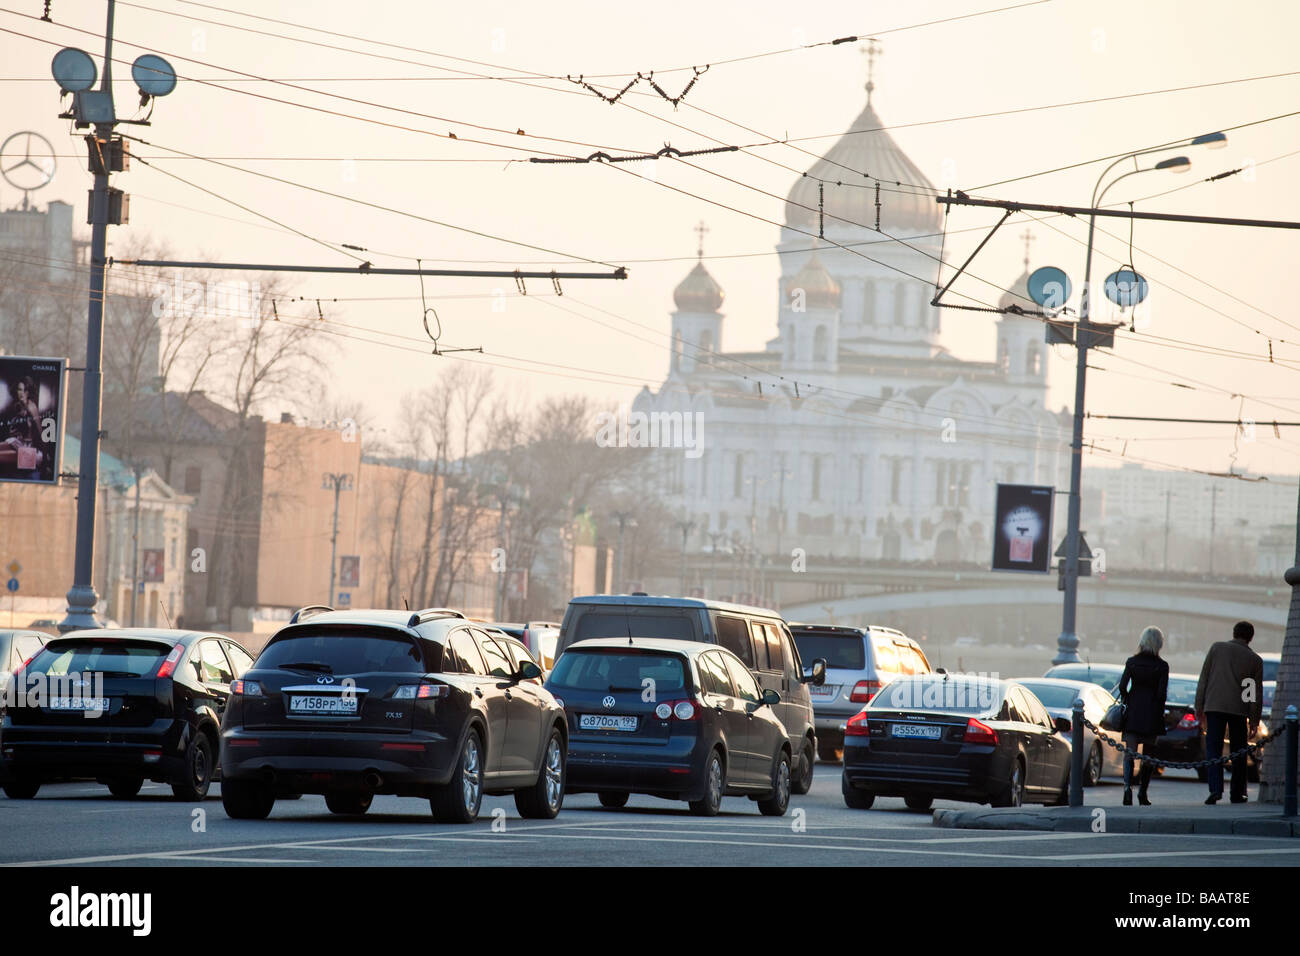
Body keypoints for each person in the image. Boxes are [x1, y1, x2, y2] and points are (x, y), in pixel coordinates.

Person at [1195, 621, 1264, 805]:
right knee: (1238, 752)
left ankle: (1215, 790)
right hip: (1239, 711)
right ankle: (1237, 793)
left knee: (1213, 749)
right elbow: (1252, 693)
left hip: (1214, 706)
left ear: (1234, 633)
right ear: (1250, 637)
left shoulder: (1217, 648)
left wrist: (1199, 707)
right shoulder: (1254, 660)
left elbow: (1204, 679)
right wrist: (1254, 720)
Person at [1115, 626, 1169, 806]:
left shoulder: (1131, 662)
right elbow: (1162, 694)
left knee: (1129, 754)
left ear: (1142, 641)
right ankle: (1143, 793)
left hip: (1133, 713)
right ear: (1159, 644)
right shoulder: (1162, 666)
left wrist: (1129, 700)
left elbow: (1123, 686)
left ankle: (1127, 790)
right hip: (1152, 715)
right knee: (1148, 757)